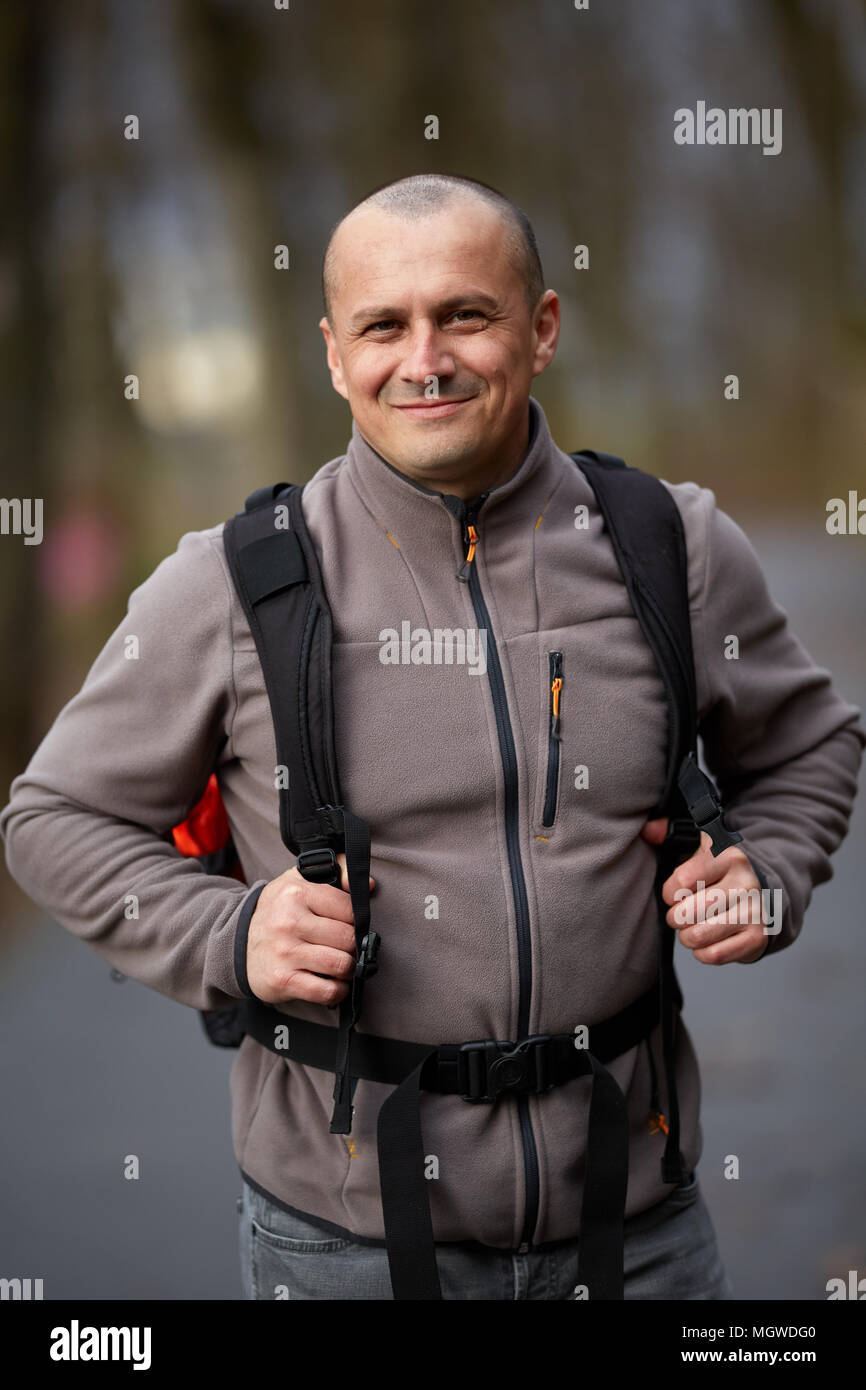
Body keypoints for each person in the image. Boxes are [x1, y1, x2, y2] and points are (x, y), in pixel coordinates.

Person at [2, 173, 863, 1302]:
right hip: (343, 1244)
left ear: (540, 327)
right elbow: (52, 818)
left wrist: (769, 875)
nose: (424, 358)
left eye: (464, 313)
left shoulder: (670, 542)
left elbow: (806, 745)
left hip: (636, 1227)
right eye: (382, 324)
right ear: (331, 351)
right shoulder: (233, 582)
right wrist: (227, 933)